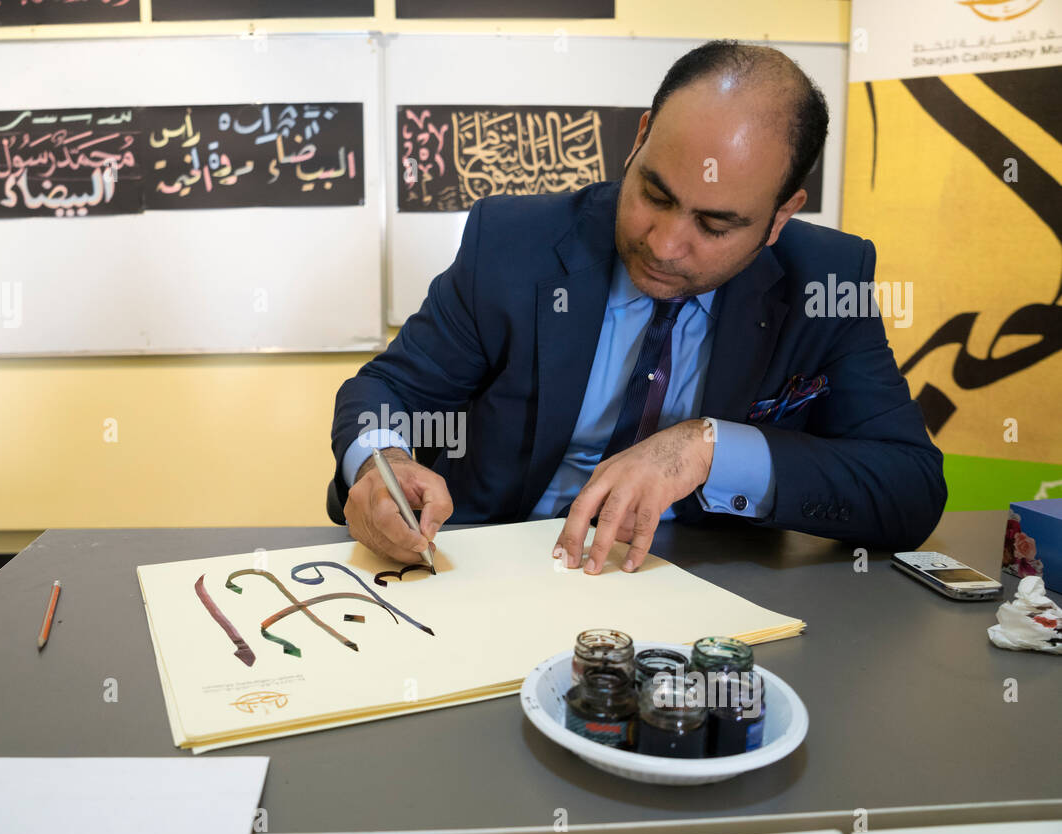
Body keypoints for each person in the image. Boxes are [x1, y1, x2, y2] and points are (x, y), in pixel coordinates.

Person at [330, 40, 946, 573]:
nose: (664, 244)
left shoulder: (828, 281)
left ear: (781, 215)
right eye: (654, 193)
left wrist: (710, 447)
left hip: (702, 592)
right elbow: (389, 390)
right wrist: (379, 462)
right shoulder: (514, 243)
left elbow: (909, 485)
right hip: (497, 569)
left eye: (715, 224)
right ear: (641, 137)